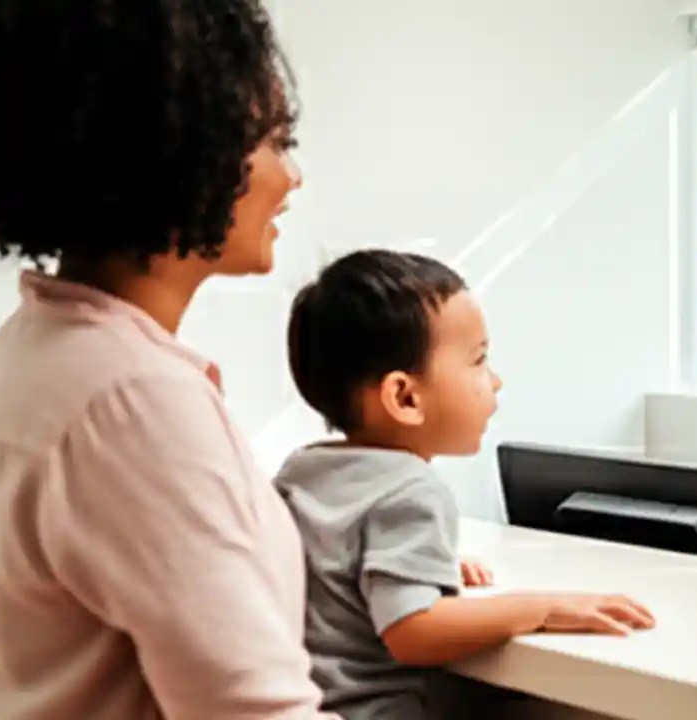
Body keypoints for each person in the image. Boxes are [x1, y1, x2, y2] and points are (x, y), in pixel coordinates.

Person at [0, 1, 335, 718]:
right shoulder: (128, 401)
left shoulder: (34, 353)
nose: (291, 177)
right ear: (180, 148)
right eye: (274, 141)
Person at [276, 249, 656, 719]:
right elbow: (414, 630)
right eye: (478, 360)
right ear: (405, 396)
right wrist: (541, 608)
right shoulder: (410, 488)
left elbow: (330, 576)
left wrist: (417, 568)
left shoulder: (303, 470)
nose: (494, 381)